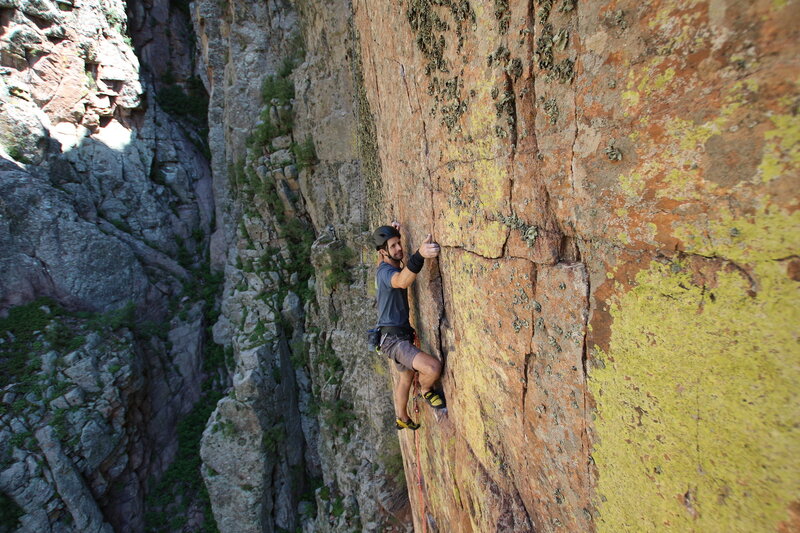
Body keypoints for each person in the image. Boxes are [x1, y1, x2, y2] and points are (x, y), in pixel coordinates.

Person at [373, 222, 445, 431]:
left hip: (392, 337)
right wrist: (420, 255)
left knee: (405, 378)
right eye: (393, 246)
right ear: (383, 252)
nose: (399, 248)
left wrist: (391, 231)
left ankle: (401, 417)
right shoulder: (386, 273)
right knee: (432, 368)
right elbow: (402, 281)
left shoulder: (384, 262)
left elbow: (383, 257)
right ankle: (426, 389)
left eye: (399, 243)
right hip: (395, 341)